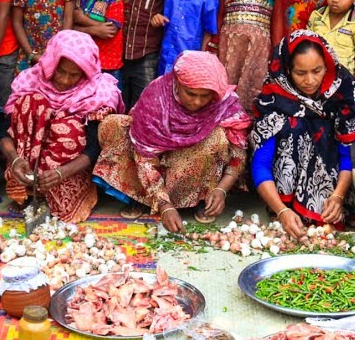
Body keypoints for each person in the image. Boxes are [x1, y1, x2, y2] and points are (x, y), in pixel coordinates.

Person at [93, 51, 251, 229]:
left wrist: (222, 188)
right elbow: (144, 157)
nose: (197, 102)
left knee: (218, 138)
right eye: (190, 94)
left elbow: (238, 152)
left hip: (189, 164)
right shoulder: (156, 97)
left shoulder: (224, 102)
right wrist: (164, 205)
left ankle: (200, 198)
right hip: (151, 161)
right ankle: (141, 197)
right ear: (176, 82)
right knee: (113, 125)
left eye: (205, 95)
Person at [1, 30, 124, 222]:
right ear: (51, 64)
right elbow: (4, 130)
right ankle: (28, 189)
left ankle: (61, 194)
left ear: (85, 73)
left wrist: (61, 173)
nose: (65, 80)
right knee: (31, 103)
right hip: (26, 167)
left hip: (68, 173)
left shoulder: (99, 92)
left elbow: (95, 147)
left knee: (66, 127)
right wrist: (15, 159)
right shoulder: (30, 81)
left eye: (73, 75)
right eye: (60, 71)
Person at [253, 32, 355, 233]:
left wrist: (338, 196)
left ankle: (328, 205)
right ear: (287, 70)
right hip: (282, 198)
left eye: (317, 71)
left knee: (326, 129)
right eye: (300, 73)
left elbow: (346, 152)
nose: (309, 80)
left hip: (332, 186)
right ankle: (285, 205)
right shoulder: (275, 95)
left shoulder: (342, 92)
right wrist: (280, 210)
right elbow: (261, 162)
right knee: (293, 125)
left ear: (327, 65)